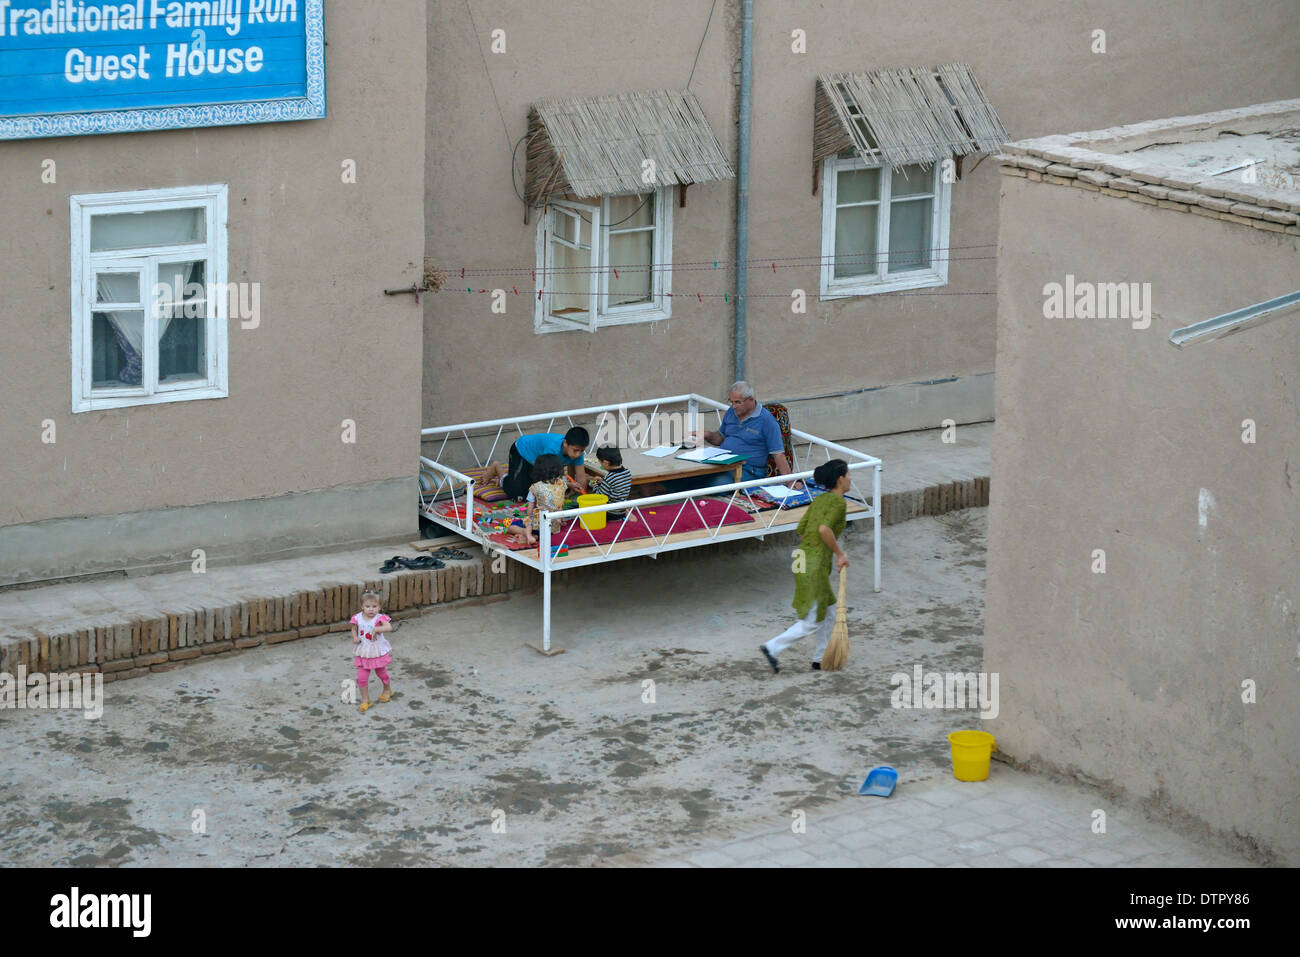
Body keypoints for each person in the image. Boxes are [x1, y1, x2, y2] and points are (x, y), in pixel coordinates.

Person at [760, 459, 850, 673]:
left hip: (801, 557)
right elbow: (824, 530)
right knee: (814, 619)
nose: (850, 479)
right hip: (815, 563)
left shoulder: (819, 500)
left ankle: (820, 658)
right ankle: (772, 647)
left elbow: (802, 529)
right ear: (839, 479)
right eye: (847, 475)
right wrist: (839, 554)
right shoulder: (838, 503)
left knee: (828, 610)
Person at [673, 382, 797, 491]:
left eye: (737, 402)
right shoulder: (732, 412)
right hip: (722, 462)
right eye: (731, 401)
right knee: (686, 476)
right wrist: (706, 434)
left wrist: (790, 482)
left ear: (751, 400)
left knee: (716, 484)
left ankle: (687, 497)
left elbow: (778, 454)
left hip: (749, 469)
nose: (733, 406)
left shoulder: (766, 421)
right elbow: (720, 438)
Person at [483, 426, 589, 502]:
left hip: (540, 463)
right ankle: (499, 470)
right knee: (518, 495)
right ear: (565, 443)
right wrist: (567, 485)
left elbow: (581, 476)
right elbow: (545, 476)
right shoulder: (552, 449)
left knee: (553, 490)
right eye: (575, 450)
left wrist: (581, 496)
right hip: (522, 452)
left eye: (581, 451)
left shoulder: (578, 453)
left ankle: (515, 477)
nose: (578, 454)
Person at [504, 454, 568, 546]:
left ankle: (527, 533)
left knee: (511, 526)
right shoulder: (562, 484)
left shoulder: (535, 487)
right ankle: (535, 536)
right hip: (554, 526)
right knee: (539, 523)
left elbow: (529, 511)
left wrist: (528, 519)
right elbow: (560, 503)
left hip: (540, 524)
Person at [351, 589, 394, 712]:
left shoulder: (380, 618)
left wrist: (377, 629)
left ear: (379, 607)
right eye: (367, 606)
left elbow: (388, 627)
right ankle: (366, 700)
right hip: (364, 652)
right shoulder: (357, 618)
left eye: (374, 606)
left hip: (376, 652)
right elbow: (354, 628)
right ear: (362, 607)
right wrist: (355, 637)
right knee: (361, 678)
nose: (371, 609)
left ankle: (387, 689)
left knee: (381, 673)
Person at [587, 446, 632, 518]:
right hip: (622, 510)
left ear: (605, 463)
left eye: (600, 462)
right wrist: (603, 482)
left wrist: (594, 485)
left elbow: (600, 496)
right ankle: (627, 514)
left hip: (610, 512)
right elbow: (616, 487)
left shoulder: (610, 477)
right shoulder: (627, 472)